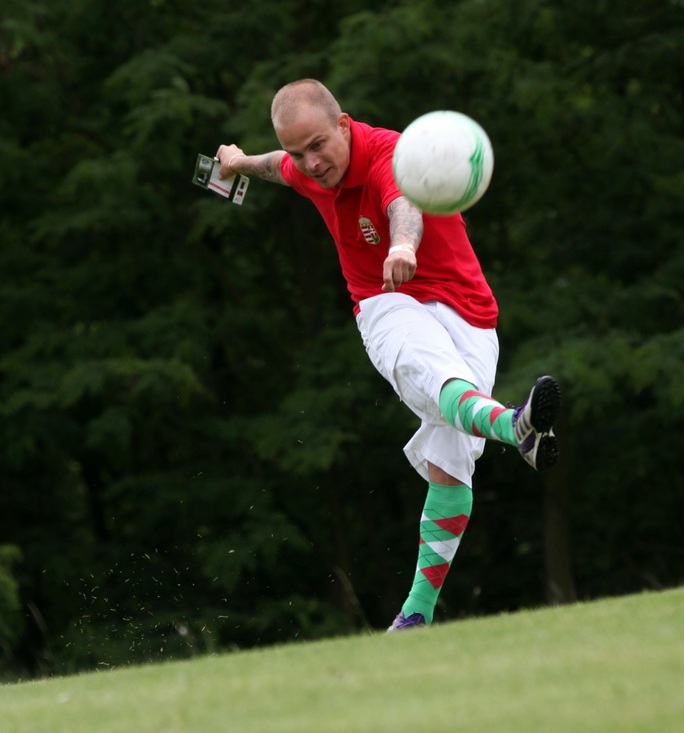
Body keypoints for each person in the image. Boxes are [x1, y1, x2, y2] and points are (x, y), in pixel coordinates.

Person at [216, 79, 560, 632]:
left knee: (449, 466)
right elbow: (276, 164)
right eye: (300, 150)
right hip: (384, 301)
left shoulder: (390, 154)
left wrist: (403, 245)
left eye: (319, 145)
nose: (311, 161)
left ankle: (416, 616)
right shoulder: (305, 166)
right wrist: (236, 161)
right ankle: (514, 425)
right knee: (432, 374)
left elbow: (403, 204)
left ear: (345, 124)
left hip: (469, 310)